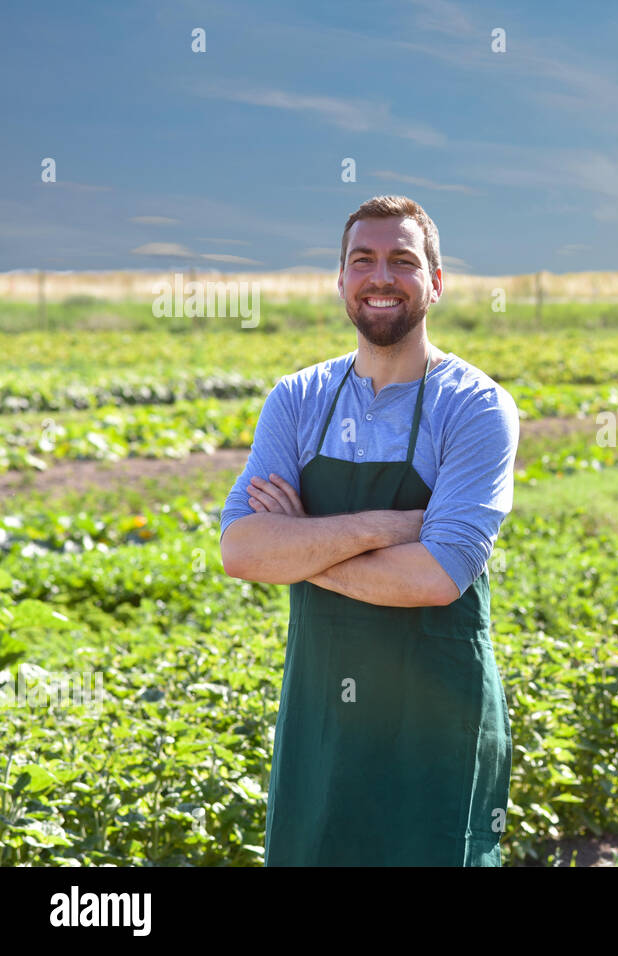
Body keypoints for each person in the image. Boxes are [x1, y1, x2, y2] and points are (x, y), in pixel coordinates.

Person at [219, 195, 519, 866]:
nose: (381, 276)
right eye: (363, 260)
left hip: (438, 720)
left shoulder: (475, 406)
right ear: (341, 280)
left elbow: (436, 577)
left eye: (403, 261)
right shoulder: (298, 399)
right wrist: (385, 525)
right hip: (322, 717)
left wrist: (300, 548)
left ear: (435, 283)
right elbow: (241, 549)